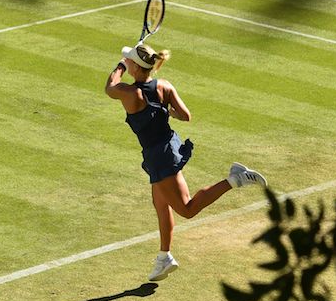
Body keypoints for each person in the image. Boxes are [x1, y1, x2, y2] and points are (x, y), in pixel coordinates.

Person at [105, 43, 267, 282]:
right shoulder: (165, 86)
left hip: (159, 156)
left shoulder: (130, 93)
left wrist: (120, 65)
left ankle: (236, 178)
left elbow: (109, 87)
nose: (126, 61)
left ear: (136, 68)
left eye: (129, 60)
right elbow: (185, 115)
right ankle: (164, 257)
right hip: (168, 146)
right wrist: (167, 112)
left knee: (187, 209)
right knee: (160, 203)